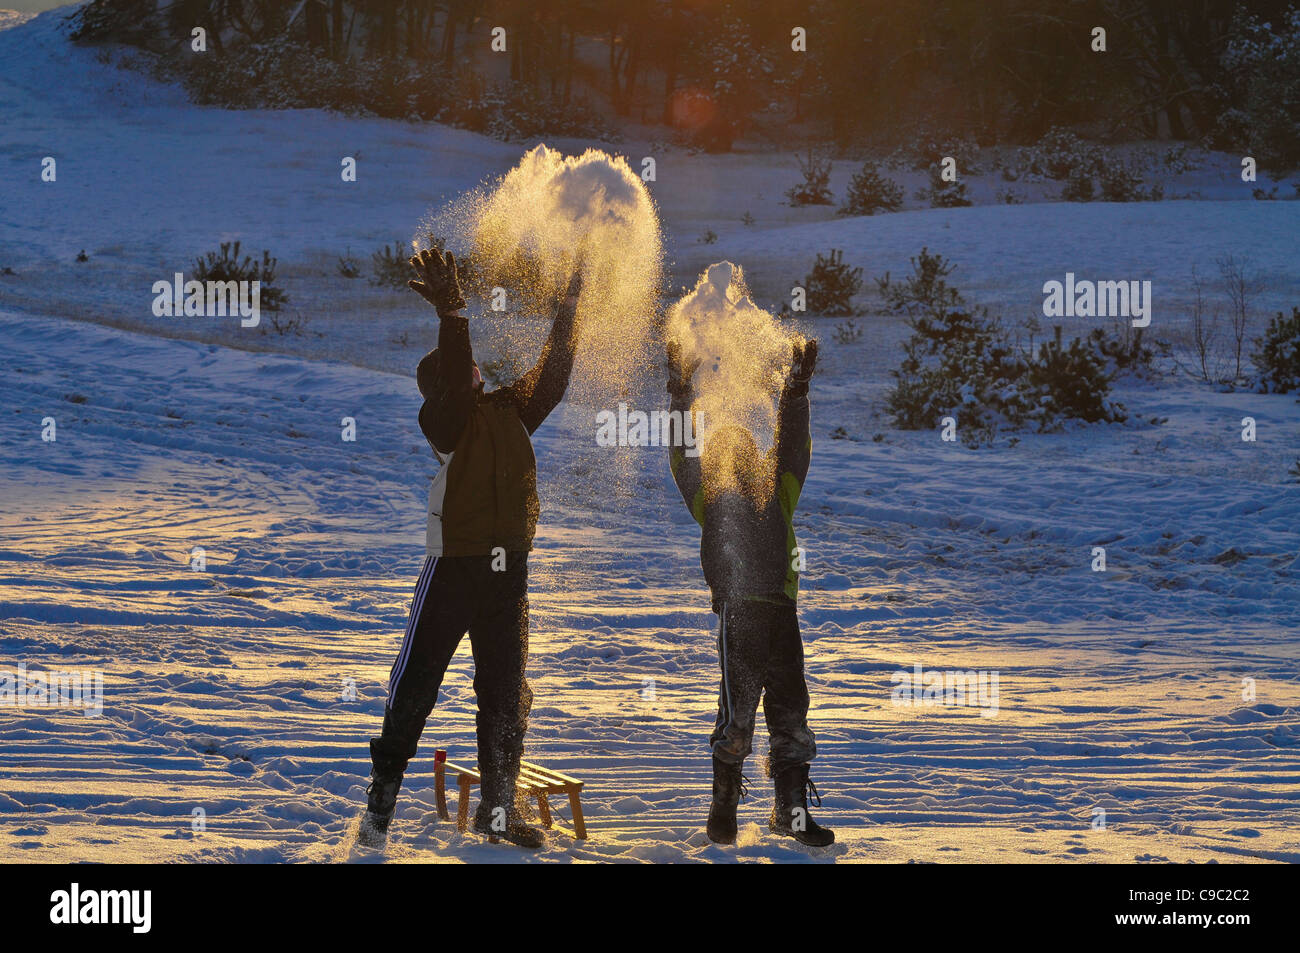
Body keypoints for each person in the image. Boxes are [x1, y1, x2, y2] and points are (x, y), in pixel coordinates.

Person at [360, 247, 582, 849]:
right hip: (453, 568)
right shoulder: (443, 422)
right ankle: (380, 804)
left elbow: (553, 378)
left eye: (475, 369)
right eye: (467, 372)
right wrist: (454, 315)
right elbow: (457, 381)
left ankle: (498, 810)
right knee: (417, 684)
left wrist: (570, 304)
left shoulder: (511, 414)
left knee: (506, 692)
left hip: (508, 572)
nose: (480, 374)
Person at [665, 338, 834, 847]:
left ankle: (791, 813)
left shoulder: (778, 488)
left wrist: (796, 389)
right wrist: (679, 390)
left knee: (790, 712)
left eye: (745, 451)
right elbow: (682, 451)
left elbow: (790, 442)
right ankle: (723, 810)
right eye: (726, 452)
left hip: (781, 610)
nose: (737, 456)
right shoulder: (708, 497)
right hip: (739, 612)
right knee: (736, 716)